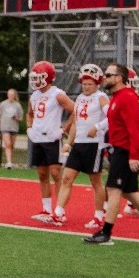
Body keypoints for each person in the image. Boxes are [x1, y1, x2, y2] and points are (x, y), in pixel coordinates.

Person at [83, 63, 139, 246]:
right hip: (118, 150)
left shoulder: (127, 98)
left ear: (119, 78)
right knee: (129, 193)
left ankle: (106, 233)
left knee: (113, 189)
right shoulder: (116, 97)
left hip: (125, 151)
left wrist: (134, 155)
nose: (105, 77)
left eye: (108, 74)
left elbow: (134, 129)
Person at [54, 64, 109, 229]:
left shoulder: (101, 97)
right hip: (79, 144)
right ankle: (58, 212)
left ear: (97, 83)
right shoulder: (79, 98)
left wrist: (98, 127)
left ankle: (99, 216)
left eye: (89, 83)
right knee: (66, 178)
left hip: (94, 145)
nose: (86, 86)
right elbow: (76, 123)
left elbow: (113, 117)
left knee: (95, 181)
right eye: (84, 83)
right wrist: (68, 143)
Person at [27, 61, 76, 223]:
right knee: (42, 174)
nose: (35, 81)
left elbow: (74, 111)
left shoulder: (57, 94)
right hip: (38, 138)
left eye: (38, 77)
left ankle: (60, 209)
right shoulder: (34, 96)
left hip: (52, 138)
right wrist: (29, 128)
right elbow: (30, 113)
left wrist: (63, 129)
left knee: (56, 172)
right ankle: (46, 208)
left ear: (48, 77)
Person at [0, 89, 23, 168]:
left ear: (14, 95)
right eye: (9, 94)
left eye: (12, 95)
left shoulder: (17, 105)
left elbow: (21, 118)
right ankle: (9, 162)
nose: (10, 96)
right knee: (8, 144)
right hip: (5, 126)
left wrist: (16, 118)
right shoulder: (3, 104)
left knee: (12, 145)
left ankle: (10, 160)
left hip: (14, 127)